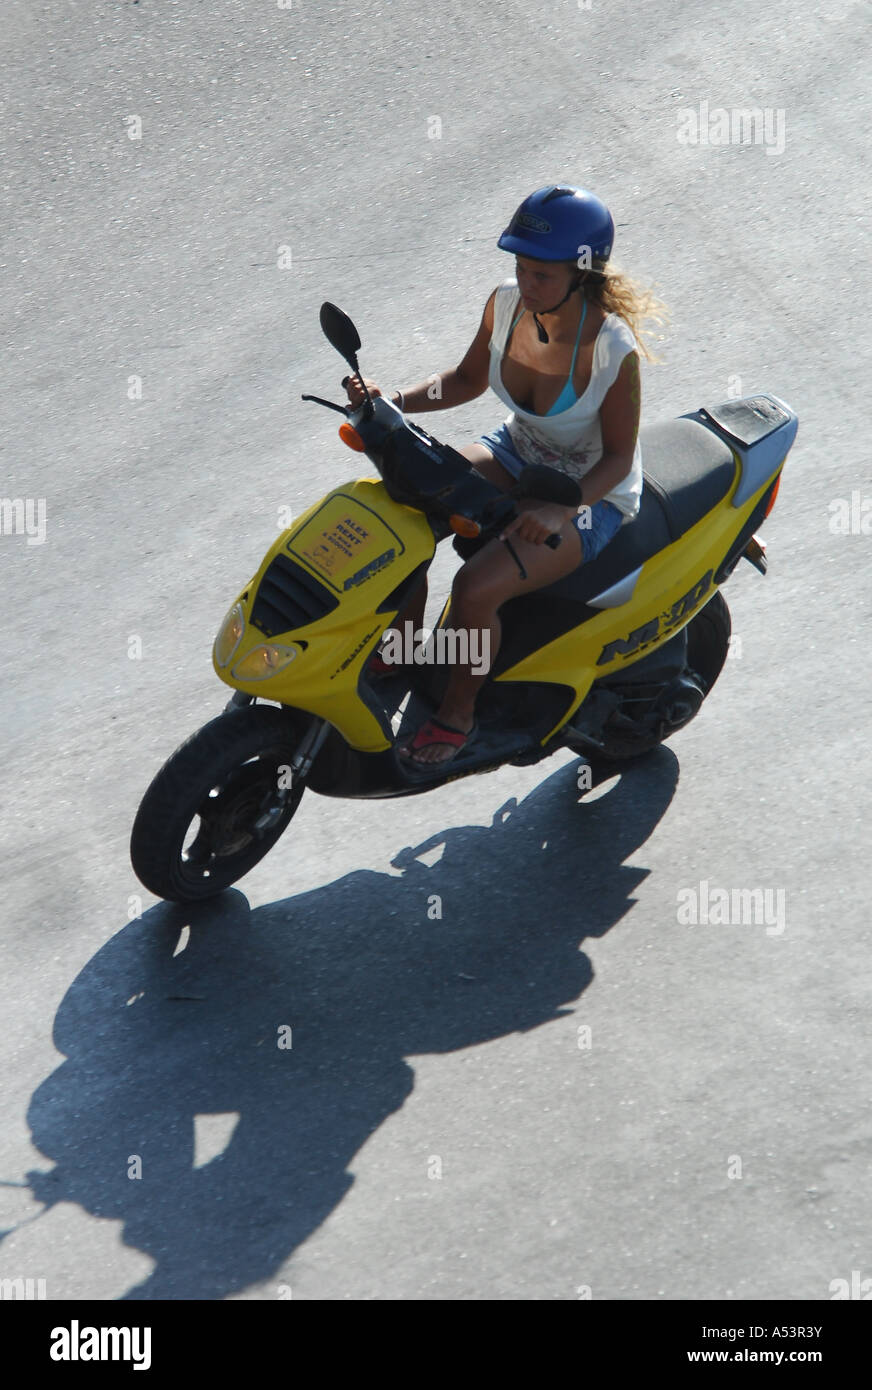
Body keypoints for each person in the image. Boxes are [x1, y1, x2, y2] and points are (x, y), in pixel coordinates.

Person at [344, 184, 665, 767]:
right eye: (520, 265)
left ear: (582, 273)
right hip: (515, 454)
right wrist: (391, 404)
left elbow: (618, 457)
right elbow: (465, 380)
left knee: (475, 590)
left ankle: (457, 715)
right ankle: (402, 644)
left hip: (590, 497)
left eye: (541, 274)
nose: (526, 282)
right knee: (403, 511)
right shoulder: (506, 303)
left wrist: (562, 507)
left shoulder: (611, 350)